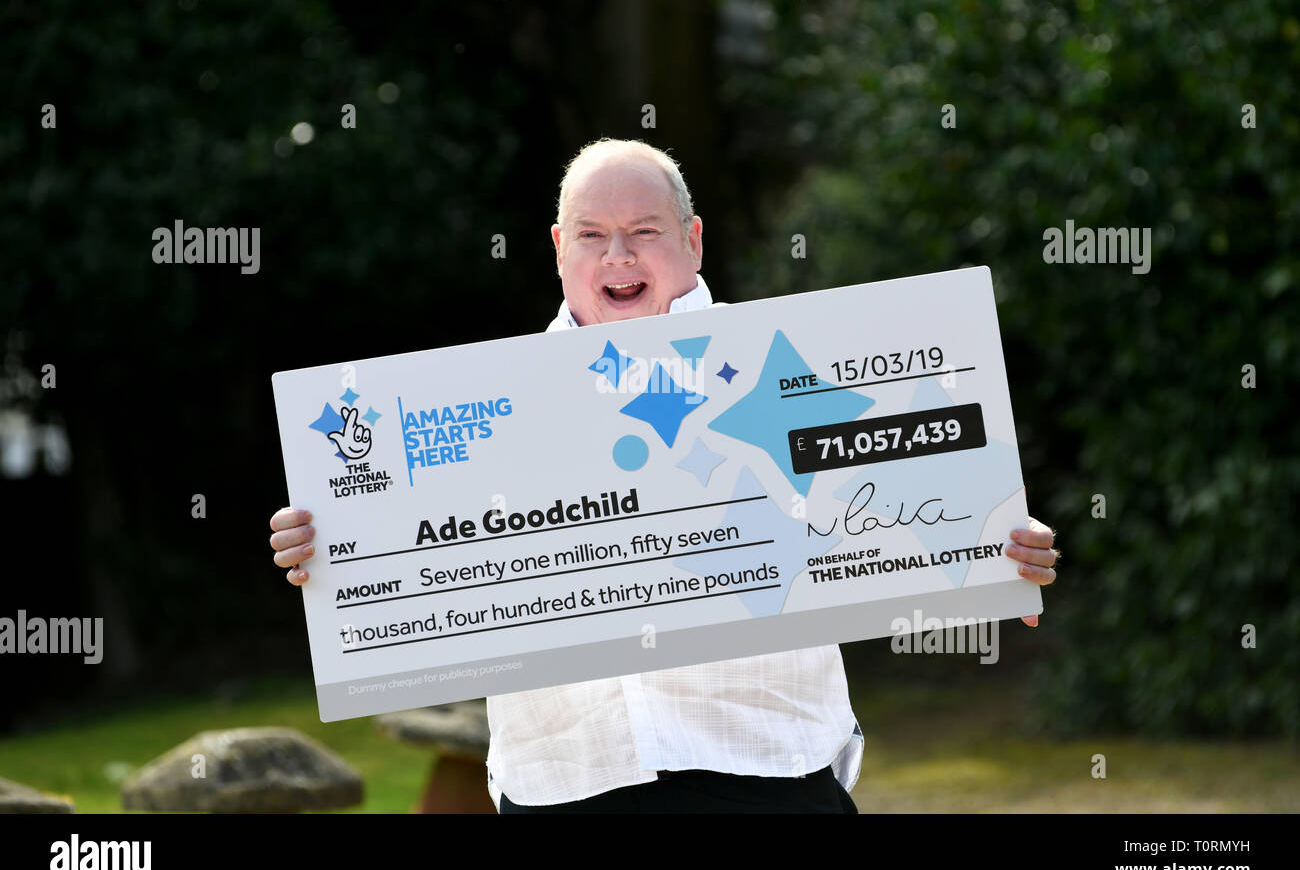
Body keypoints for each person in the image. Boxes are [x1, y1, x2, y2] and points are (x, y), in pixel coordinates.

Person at [268, 138, 1060, 813]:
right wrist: (329, 547)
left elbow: (913, 499)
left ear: (693, 242)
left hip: (766, 769)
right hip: (565, 781)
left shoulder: (791, 368)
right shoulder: (486, 408)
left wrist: (994, 549)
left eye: (644, 231)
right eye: (592, 235)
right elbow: (411, 556)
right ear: (557, 248)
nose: (618, 256)